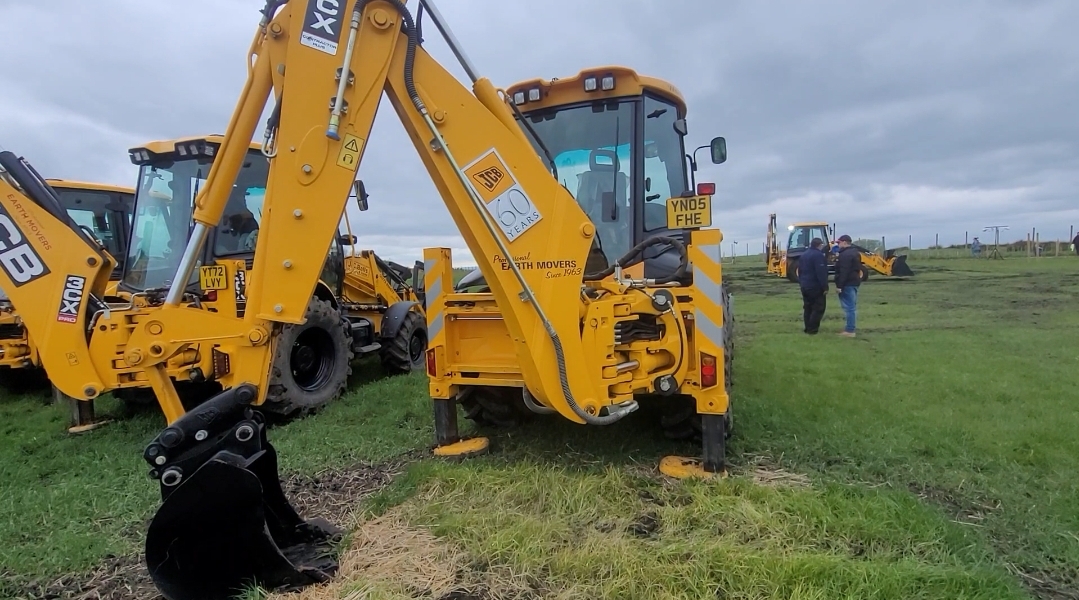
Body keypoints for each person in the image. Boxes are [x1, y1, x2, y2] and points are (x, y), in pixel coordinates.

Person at [797, 238, 829, 334]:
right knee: (818, 308)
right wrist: (825, 286)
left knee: (808, 308)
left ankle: (807, 327)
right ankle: (813, 329)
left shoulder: (804, 255)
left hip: (805, 285)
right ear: (819, 245)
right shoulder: (818, 256)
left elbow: (800, 270)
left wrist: (801, 282)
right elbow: (821, 273)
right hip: (815, 286)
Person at [834, 234, 863, 337]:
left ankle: (850, 330)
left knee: (849, 307)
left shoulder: (845, 255)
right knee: (852, 306)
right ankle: (850, 328)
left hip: (847, 284)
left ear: (845, 242)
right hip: (854, 282)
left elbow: (844, 271)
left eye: (839, 242)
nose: (838, 244)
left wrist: (839, 286)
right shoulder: (855, 253)